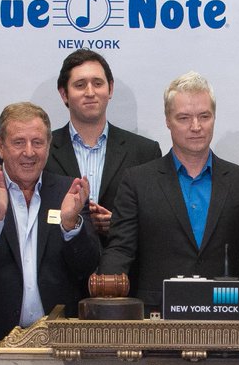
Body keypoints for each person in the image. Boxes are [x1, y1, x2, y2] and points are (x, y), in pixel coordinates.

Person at [99, 72, 239, 310]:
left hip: (225, 317)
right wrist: (106, 294)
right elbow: (120, 250)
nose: (196, 127)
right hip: (155, 321)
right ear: (167, 120)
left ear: (214, 117)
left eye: (204, 116)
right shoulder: (137, 181)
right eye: (184, 118)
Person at [0, 102, 101, 340]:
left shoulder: (68, 191)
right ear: (1, 146)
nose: (29, 152)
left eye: (37, 142)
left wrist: (70, 225)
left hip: (59, 341)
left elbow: (86, 268)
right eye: (19, 142)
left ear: (48, 146)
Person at [44, 50, 162, 239]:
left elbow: (157, 221)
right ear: (64, 94)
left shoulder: (144, 152)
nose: (90, 92)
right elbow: (36, 214)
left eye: (98, 83)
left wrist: (119, 223)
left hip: (124, 265)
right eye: (80, 85)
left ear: (110, 88)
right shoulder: (42, 150)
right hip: (60, 264)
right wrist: (72, 220)